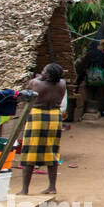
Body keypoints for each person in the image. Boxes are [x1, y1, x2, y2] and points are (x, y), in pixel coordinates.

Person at [19, 63, 66, 195]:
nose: (41, 72)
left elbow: (34, 82)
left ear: (49, 75)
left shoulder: (36, 83)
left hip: (38, 116)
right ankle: (52, 187)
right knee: (52, 151)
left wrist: (40, 77)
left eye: (44, 71)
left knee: (30, 152)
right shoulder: (62, 83)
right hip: (55, 117)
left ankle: (24, 189)